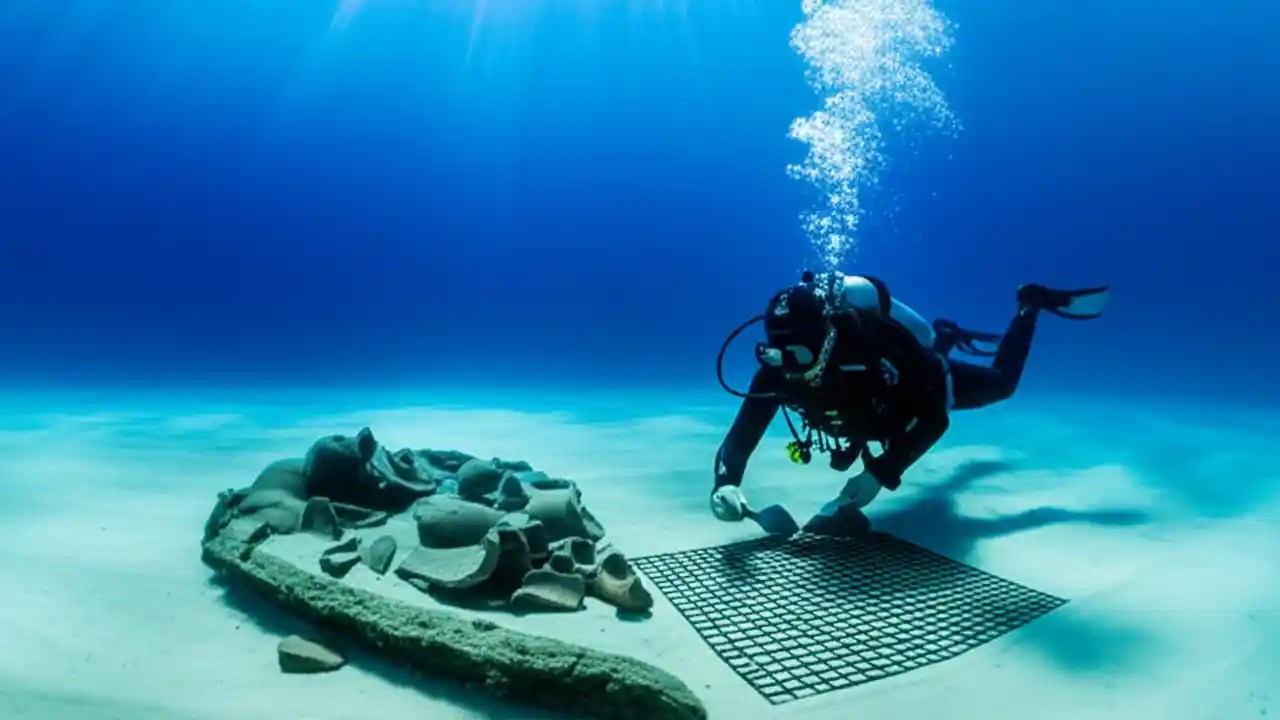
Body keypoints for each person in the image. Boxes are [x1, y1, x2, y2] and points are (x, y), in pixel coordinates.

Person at [709, 270, 1109, 535]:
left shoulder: (868, 347)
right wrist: (726, 485)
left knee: (1002, 385)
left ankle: (1029, 304)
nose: (790, 369)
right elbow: (740, 437)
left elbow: (934, 417)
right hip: (868, 415)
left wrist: (880, 473)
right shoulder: (779, 371)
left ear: (826, 338)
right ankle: (946, 335)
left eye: (799, 354)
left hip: (920, 386)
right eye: (778, 353)